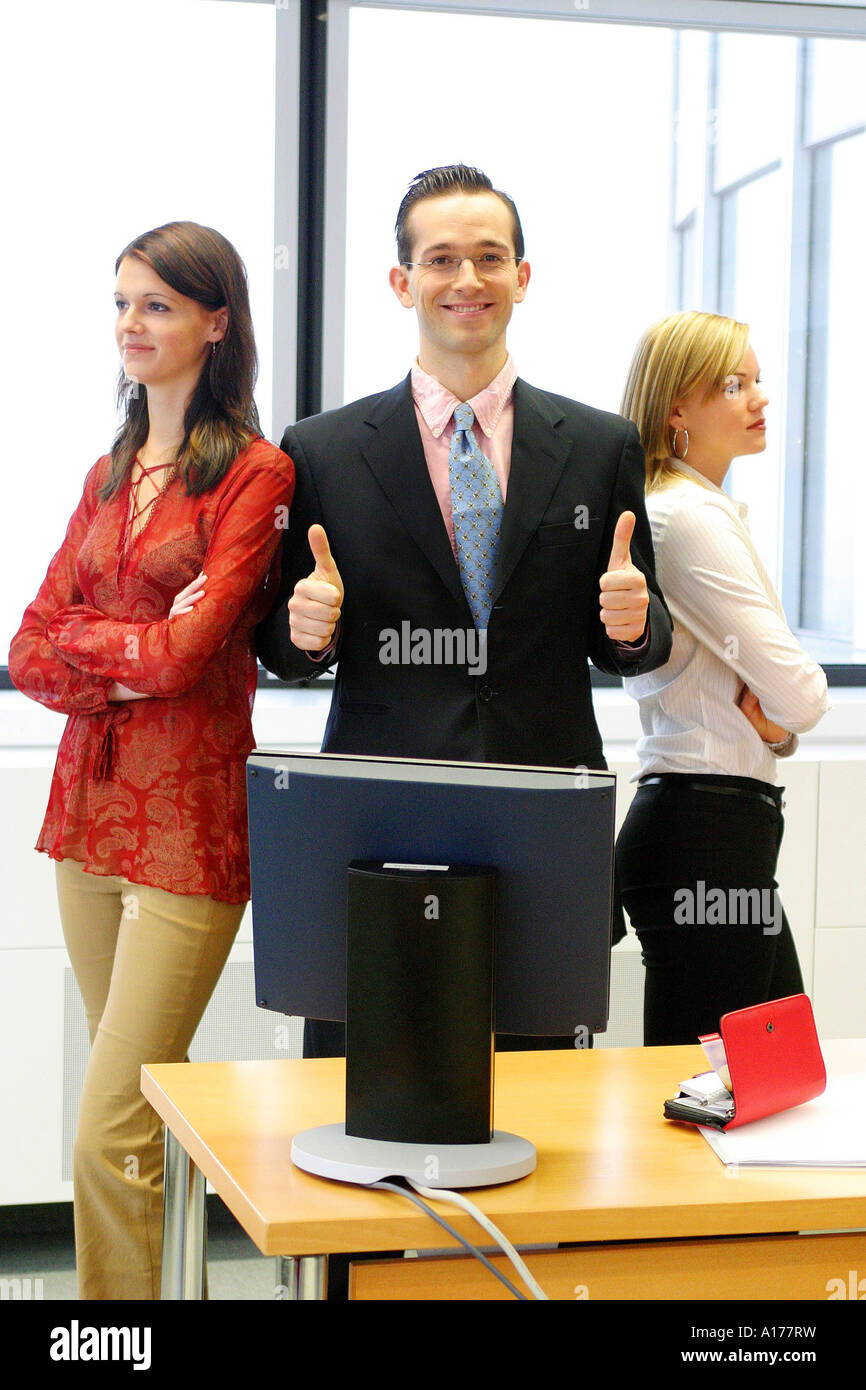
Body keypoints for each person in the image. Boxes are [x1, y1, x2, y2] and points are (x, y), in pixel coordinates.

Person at [255, 164, 674, 1057]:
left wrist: (634, 622)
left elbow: (638, 640)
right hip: (376, 824)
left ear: (525, 276)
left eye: (490, 257)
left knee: (541, 1122)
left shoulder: (600, 445)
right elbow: (283, 651)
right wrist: (300, 633)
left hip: (541, 819)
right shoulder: (323, 449)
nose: (467, 280)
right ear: (402, 282)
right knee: (362, 1114)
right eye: (441, 259)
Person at [8, 221, 294, 1298]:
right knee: (136, 1119)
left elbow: (187, 657)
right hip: (87, 815)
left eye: (159, 304)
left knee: (106, 1126)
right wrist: (123, 656)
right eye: (123, 301)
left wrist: (116, 648)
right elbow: (27, 642)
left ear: (216, 324)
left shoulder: (257, 476)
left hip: (185, 824)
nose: (132, 323)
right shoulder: (108, 468)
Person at [614, 310, 830, 1046]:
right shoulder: (689, 519)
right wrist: (785, 719)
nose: (760, 398)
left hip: (718, 824)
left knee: (776, 1074)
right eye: (734, 384)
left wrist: (780, 731)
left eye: (758, 381)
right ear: (677, 406)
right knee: (707, 1092)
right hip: (704, 831)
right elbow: (799, 693)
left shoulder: (688, 509)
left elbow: (781, 712)